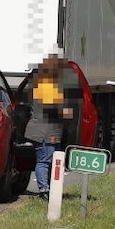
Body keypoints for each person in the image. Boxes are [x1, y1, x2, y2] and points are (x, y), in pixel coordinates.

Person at [22, 54, 80, 200]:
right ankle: (44, 190)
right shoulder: (47, 86)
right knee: (44, 160)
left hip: (44, 130)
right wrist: (66, 112)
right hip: (45, 132)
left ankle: (48, 188)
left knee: (49, 160)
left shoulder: (42, 83)